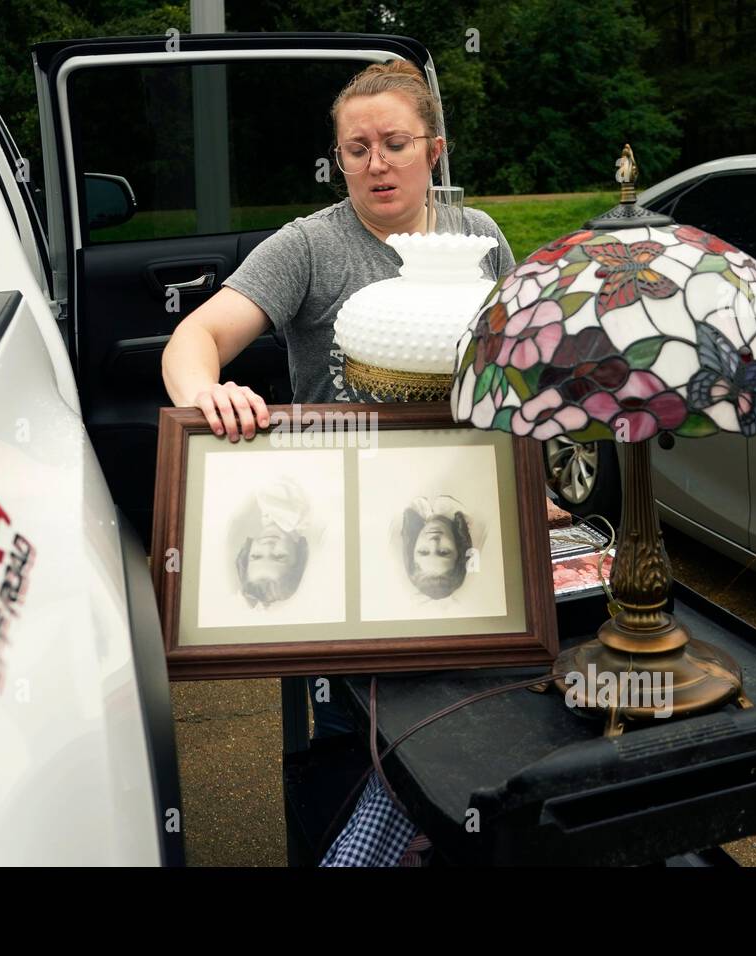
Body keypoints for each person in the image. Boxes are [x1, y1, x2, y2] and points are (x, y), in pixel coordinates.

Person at [161, 61, 517, 855]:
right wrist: (205, 394)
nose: (375, 163)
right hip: (350, 519)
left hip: (472, 503)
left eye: (394, 143)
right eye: (356, 149)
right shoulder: (310, 246)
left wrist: (537, 484)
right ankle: (385, 824)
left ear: (435, 149)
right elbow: (196, 337)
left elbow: (514, 367)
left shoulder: (481, 238)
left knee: (491, 701)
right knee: (385, 714)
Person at [235, 477, 311, 608]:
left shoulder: (271, 516)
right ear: (298, 556)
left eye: (256, 556)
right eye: (279, 556)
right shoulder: (294, 513)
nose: (267, 546)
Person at [400, 496, 473, 600]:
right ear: (459, 549)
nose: (433, 542)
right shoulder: (469, 509)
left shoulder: (407, 510)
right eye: (443, 552)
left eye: (423, 551)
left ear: (412, 548)